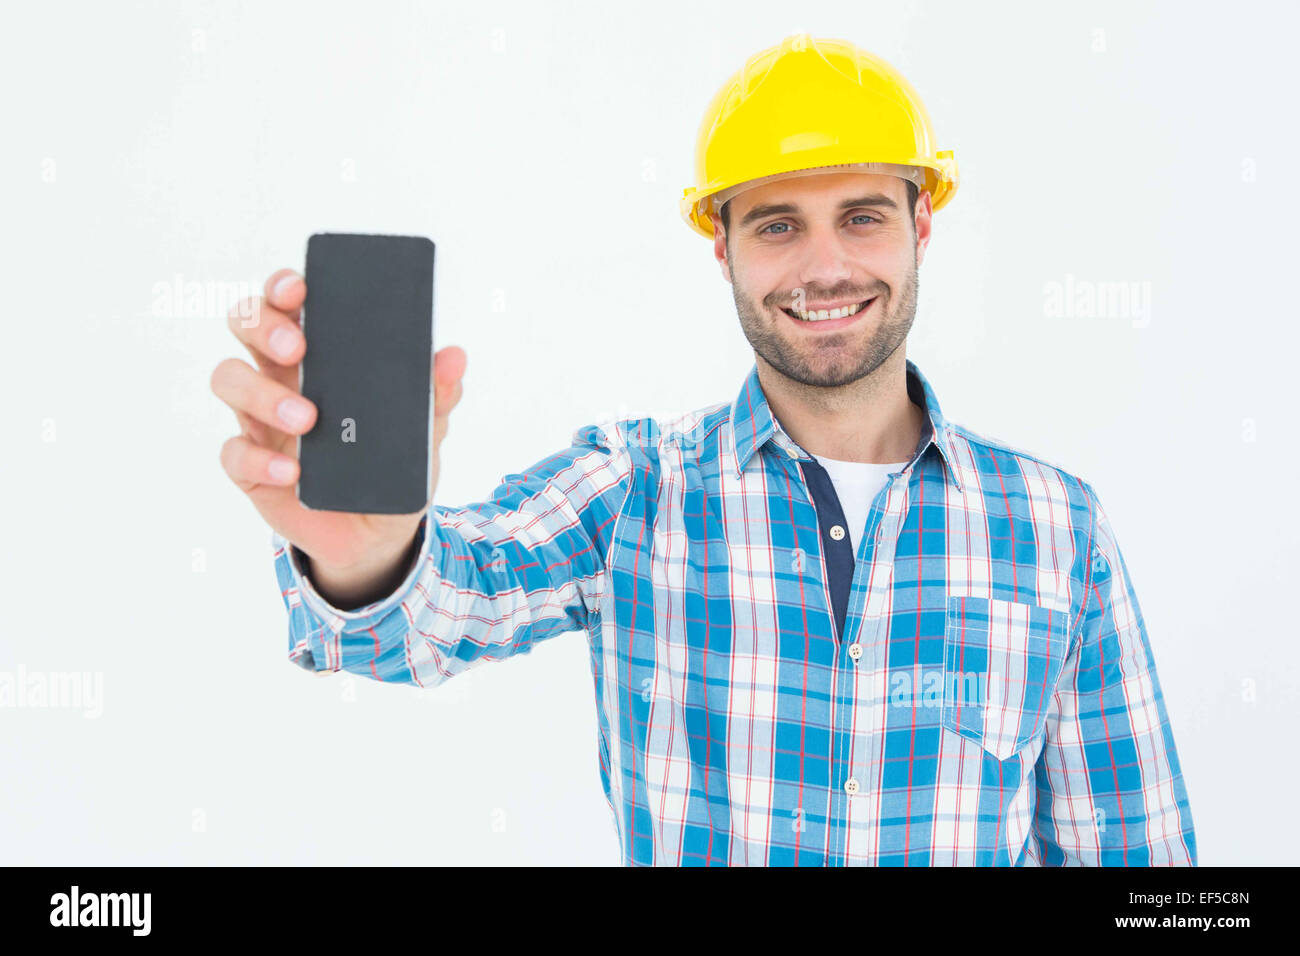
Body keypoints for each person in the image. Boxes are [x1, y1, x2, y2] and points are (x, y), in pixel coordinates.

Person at [211, 34, 1196, 866]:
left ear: (921, 224)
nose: (825, 266)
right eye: (777, 225)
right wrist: (362, 555)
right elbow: (432, 614)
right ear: (720, 244)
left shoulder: (1056, 525)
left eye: (861, 215)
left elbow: (1139, 862)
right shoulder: (632, 491)